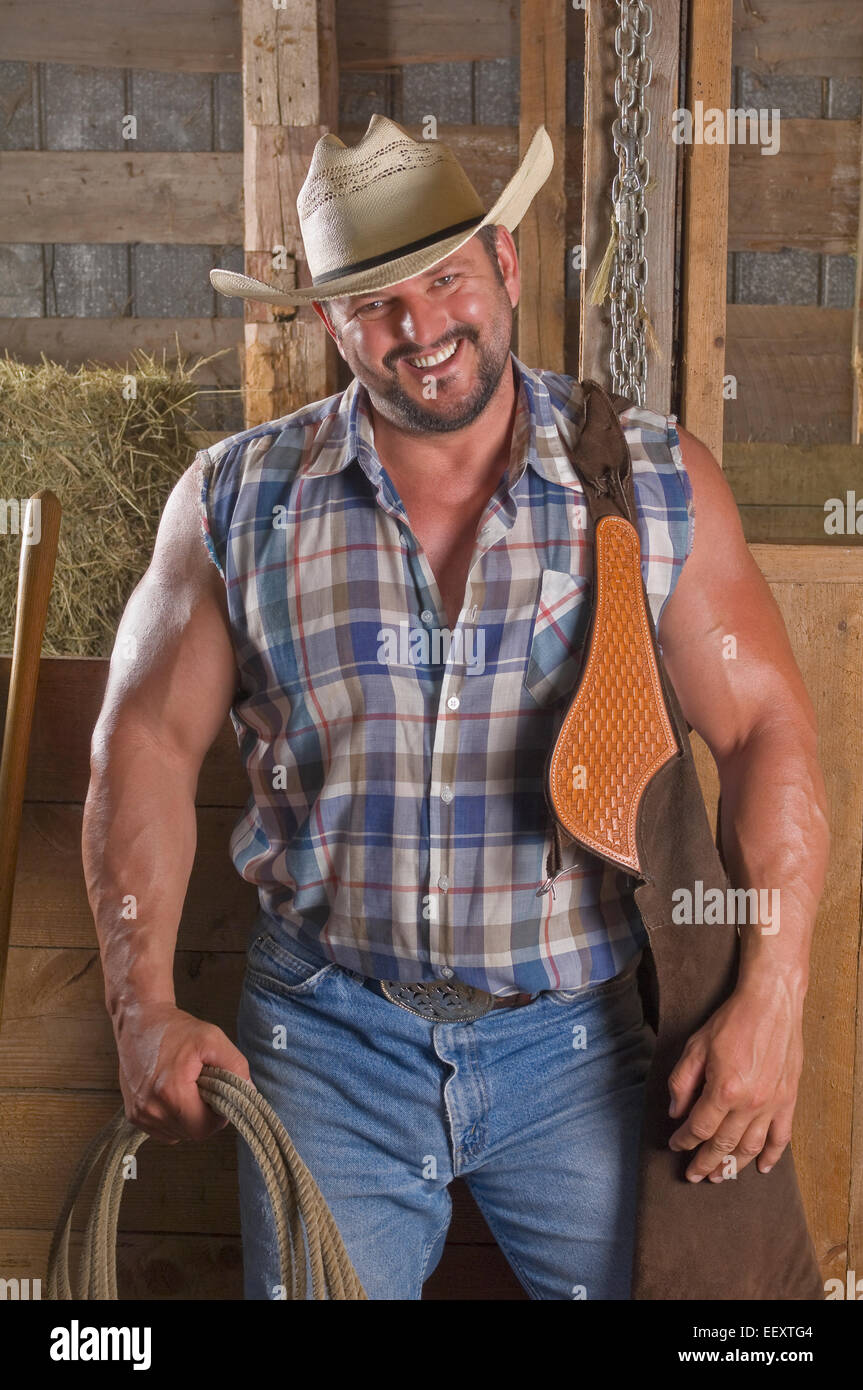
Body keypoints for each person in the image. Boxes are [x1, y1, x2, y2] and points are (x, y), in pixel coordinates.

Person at [83, 117, 829, 1300]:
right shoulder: (233, 502)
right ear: (327, 319)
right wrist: (141, 1007)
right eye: (374, 302)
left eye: (445, 280)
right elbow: (144, 745)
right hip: (322, 1041)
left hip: (578, 1043)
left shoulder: (651, 481)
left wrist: (773, 997)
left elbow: (760, 734)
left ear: (507, 265)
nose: (421, 330)